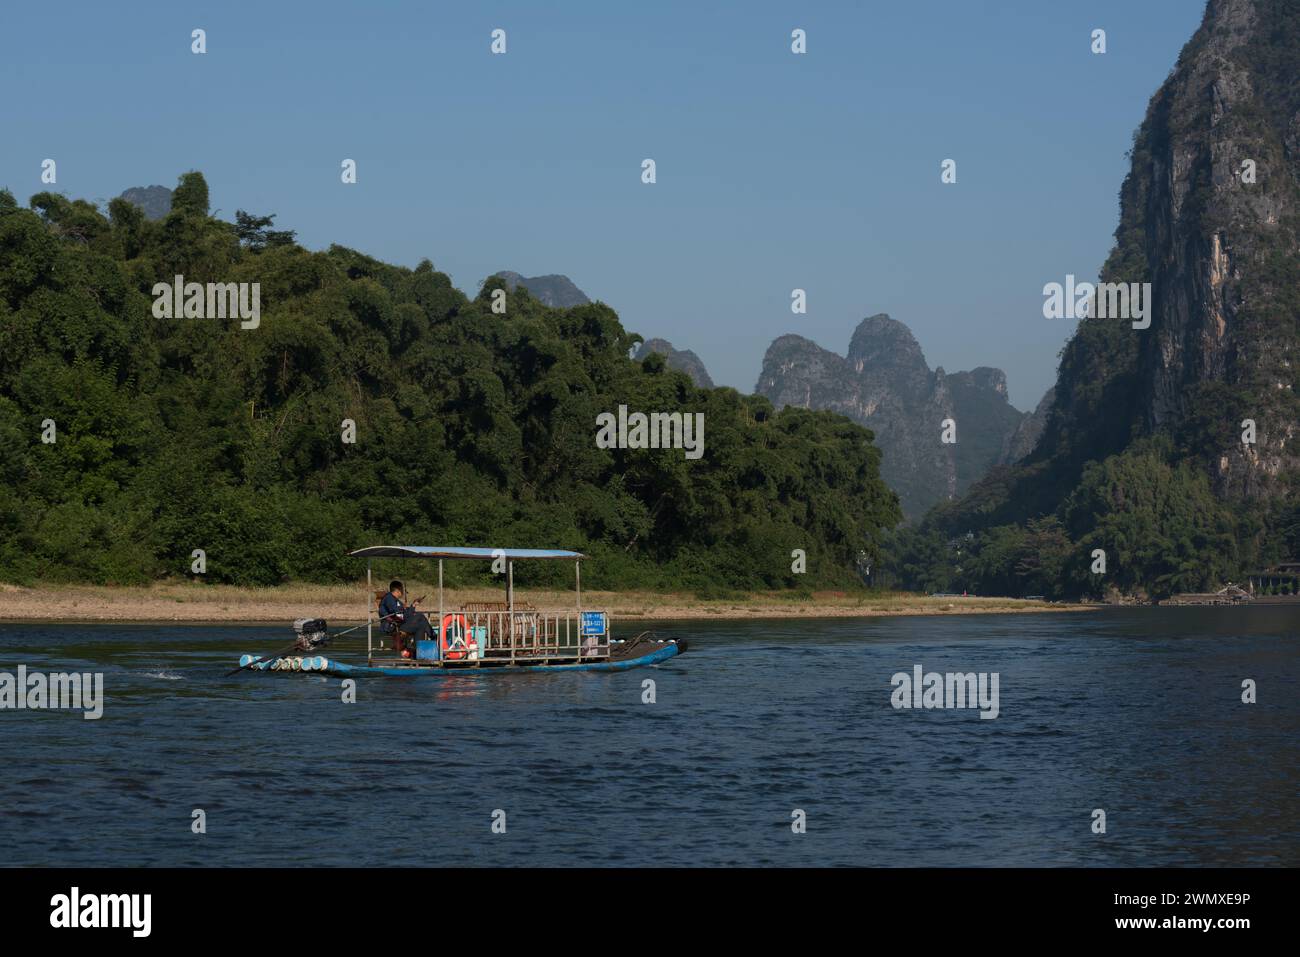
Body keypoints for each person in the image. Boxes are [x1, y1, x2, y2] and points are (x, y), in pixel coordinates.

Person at [378, 581, 434, 654]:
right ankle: (434, 638)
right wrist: (408, 613)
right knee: (420, 616)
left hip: (400, 624)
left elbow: (405, 614)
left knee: (420, 626)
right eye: (402, 590)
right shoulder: (389, 599)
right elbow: (399, 614)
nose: (403, 592)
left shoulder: (395, 600)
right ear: (398, 591)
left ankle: (418, 652)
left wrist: (413, 605)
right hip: (392, 626)